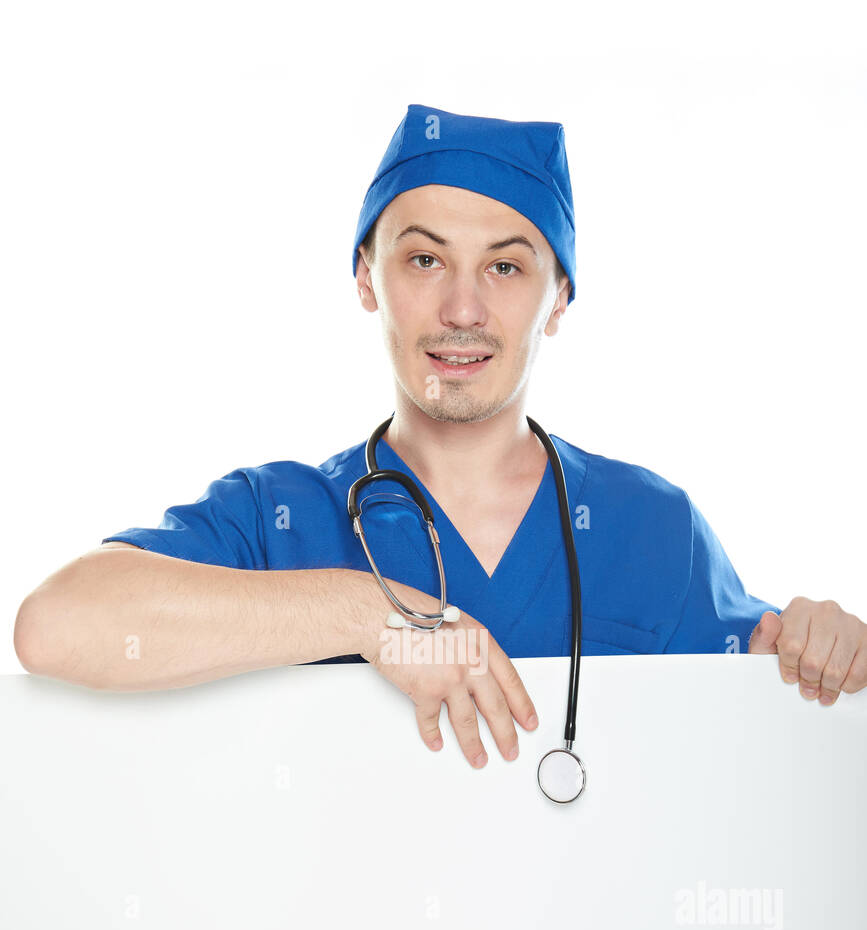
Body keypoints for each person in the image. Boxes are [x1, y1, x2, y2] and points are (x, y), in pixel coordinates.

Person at [13, 104, 867, 772]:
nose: (462, 309)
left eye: (505, 266)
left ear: (558, 298)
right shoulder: (279, 517)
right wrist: (372, 617)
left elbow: (767, 700)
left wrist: (829, 649)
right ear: (364, 278)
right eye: (423, 260)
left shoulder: (650, 530)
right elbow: (57, 626)